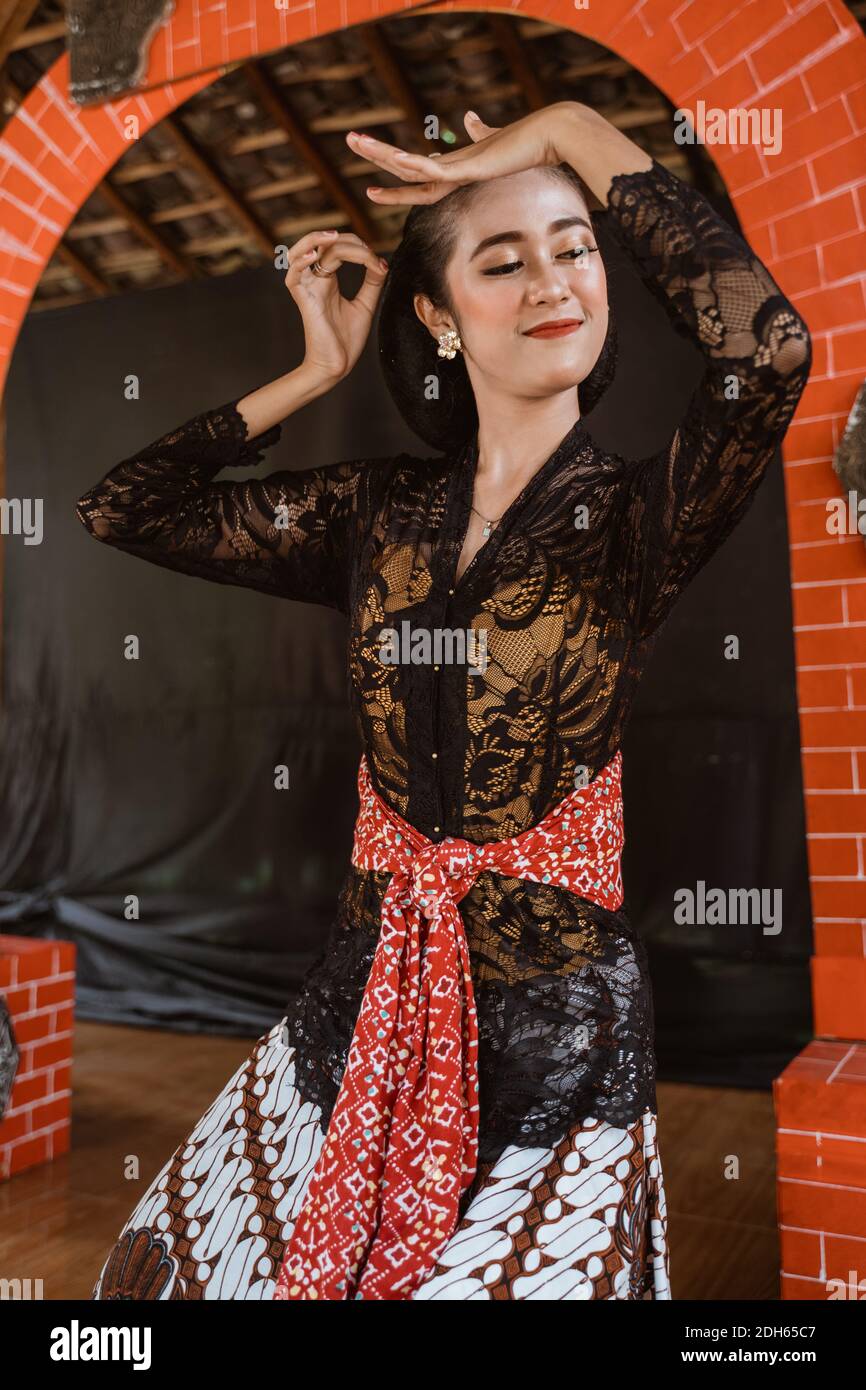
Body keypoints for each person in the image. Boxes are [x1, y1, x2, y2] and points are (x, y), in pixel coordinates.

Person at [78, 100, 811, 1301]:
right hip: (362, 1008)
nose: (551, 283)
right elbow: (127, 506)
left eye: (574, 246)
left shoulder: (636, 518)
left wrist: (567, 128)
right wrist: (315, 368)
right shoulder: (376, 512)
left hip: (558, 1047)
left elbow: (767, 345)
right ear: (438, 314)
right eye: (502, 259)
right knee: (169, 1287)